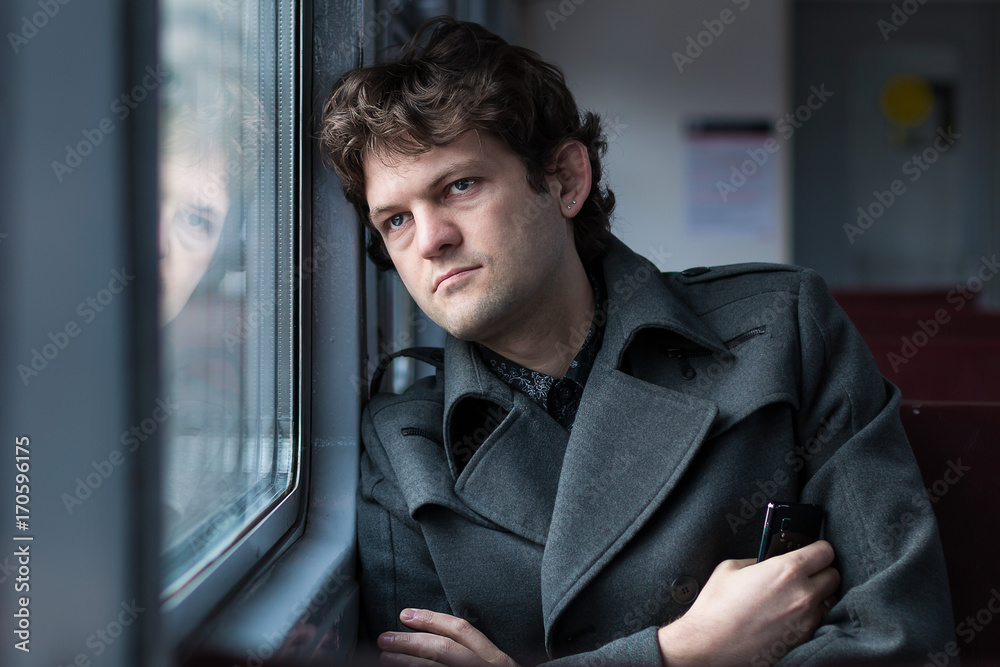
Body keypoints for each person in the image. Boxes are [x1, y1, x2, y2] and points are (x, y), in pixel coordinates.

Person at [320, 17, 955, 666]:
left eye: (459, 186)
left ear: (566, 180)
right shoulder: (403, 445)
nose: (430, 240)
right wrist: (682, 653)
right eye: (395, 219)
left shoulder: (780, 327)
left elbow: (900, 638)